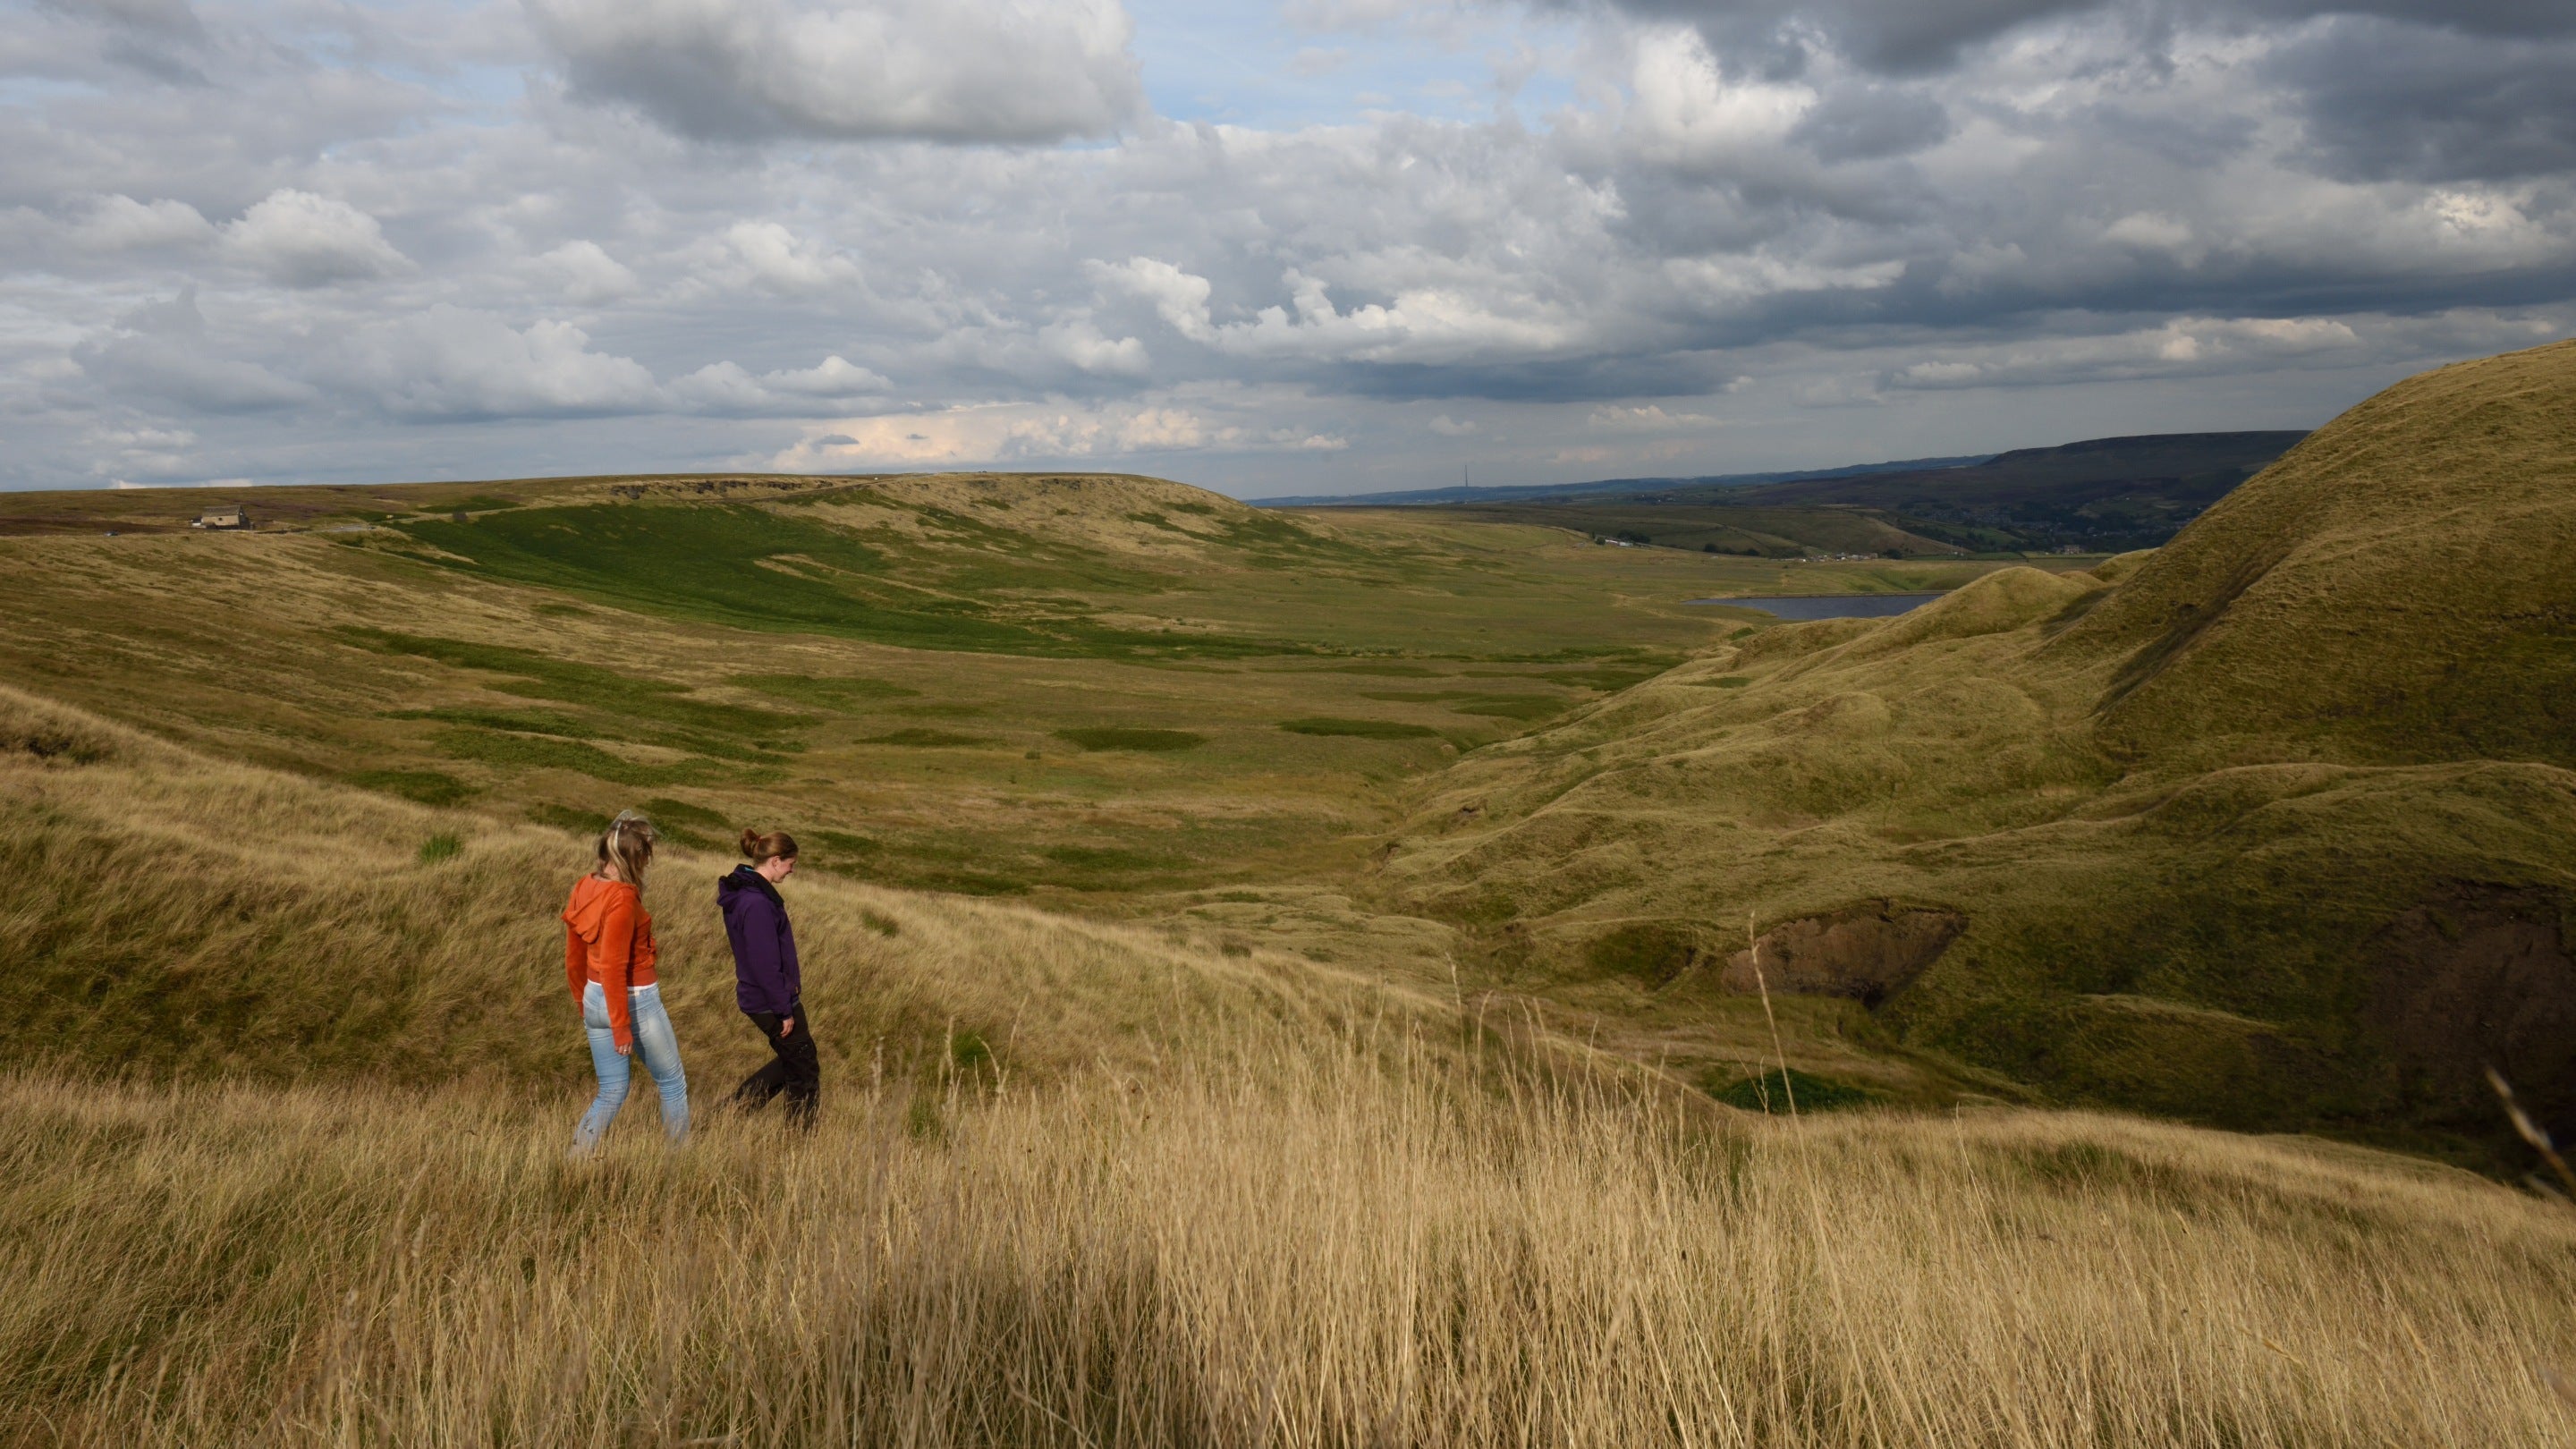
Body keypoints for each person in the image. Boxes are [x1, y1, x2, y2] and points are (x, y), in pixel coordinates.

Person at [563, 809, 689, 1150]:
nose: (648, 862)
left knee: (612, 1090)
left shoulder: (585, 886)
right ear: (635, 857)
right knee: (672, 1083)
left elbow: (574, 954)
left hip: (594, 997)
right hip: (634, 1001)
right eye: (646, 854)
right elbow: (613, 965)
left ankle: (575, 1158)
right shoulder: (622, 898)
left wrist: (583, 1001)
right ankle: (680, 1162)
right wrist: (620, 1027)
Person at [720, 827, 817, 1129]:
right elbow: (765, 964)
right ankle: (798, 1137)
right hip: (770, 1000)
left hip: (765, 997)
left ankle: (730, 1115)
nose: (792, 870)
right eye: (790, 863)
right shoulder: (757, 903)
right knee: (803, 1068)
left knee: (795, 1060)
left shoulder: (748, 894)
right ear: (775, 861)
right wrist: (783, 1009)